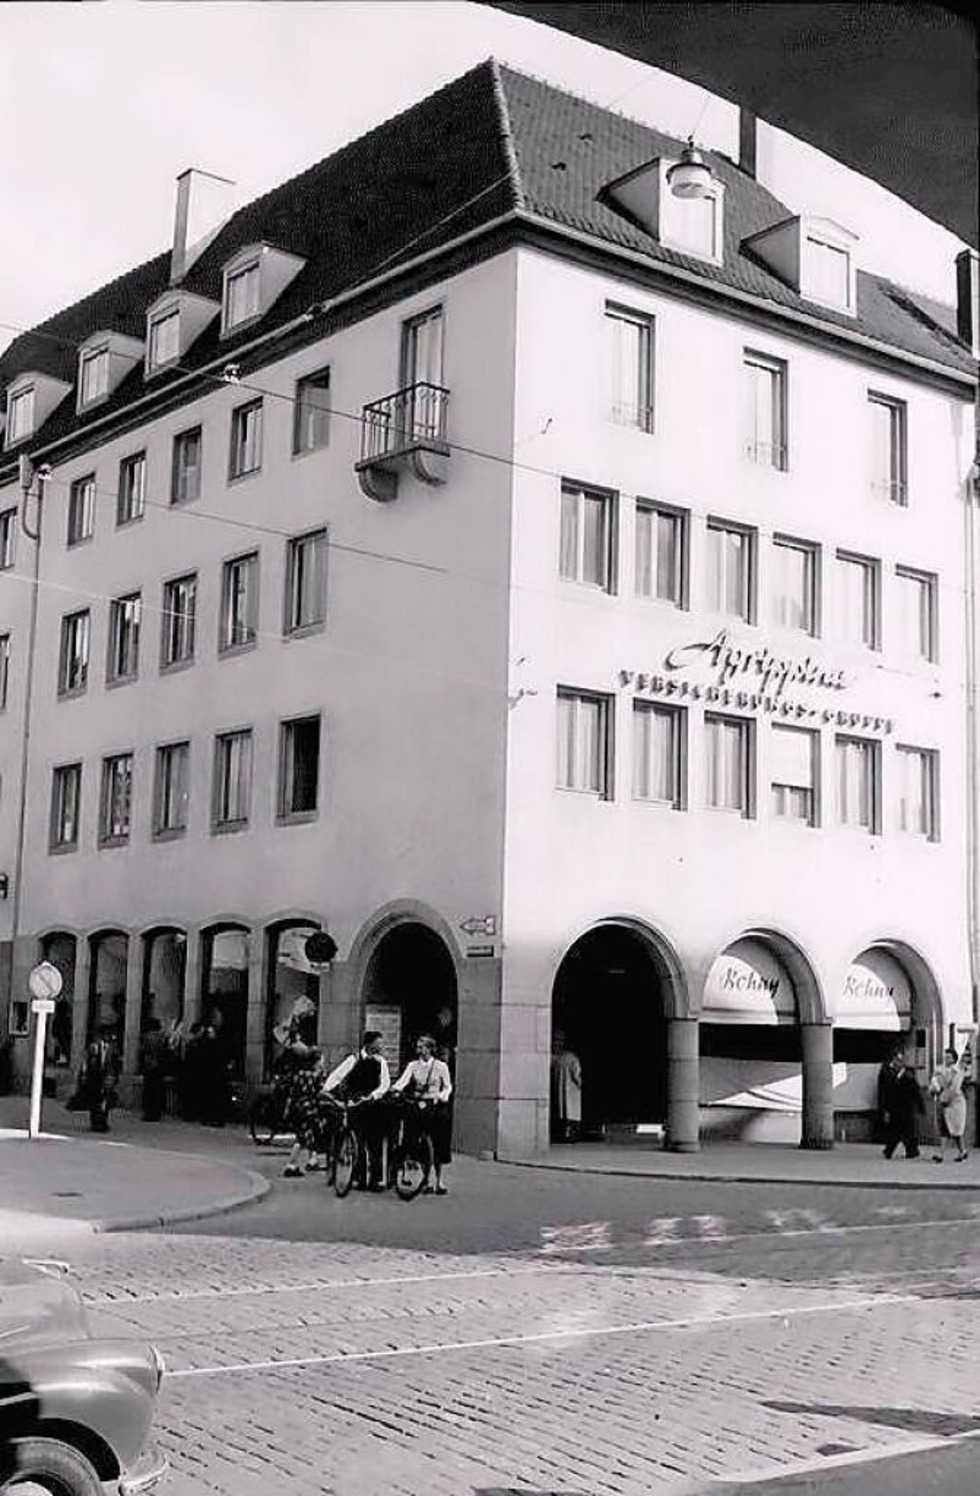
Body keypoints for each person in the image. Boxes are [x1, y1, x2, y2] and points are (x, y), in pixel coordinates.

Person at [321, 1031, 391, 1189]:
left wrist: (374, 1095)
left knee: (375, 1142)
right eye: (378, 1042)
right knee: (358, 1140)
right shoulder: (354, 1059)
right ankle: (359, 1177)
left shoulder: (381, 1062)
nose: (381, 1046)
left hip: (372, 1104)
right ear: (369, 1044)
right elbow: (338, 1075)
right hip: (355, 1102)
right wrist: (326, 1089)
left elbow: (385, 1083)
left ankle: (375, 1179)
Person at [391, 1034, 454, 1193]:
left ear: (430, 1049)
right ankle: (419, 1172)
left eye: (422, 1047)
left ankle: (439, 1180)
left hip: (435, 1103)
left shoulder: (441, 1066)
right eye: (418, 1047)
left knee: (439, 1138)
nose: (418, 1050)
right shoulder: (413, 1065)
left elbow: (447, 1086)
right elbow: (403, 1080)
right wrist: (395, 1089)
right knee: (411, 1135)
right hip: (419, 1102)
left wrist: (442, 1097)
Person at [278, 1014, 328, 1178]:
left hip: (297, 1107)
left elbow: (293, 1091)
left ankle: (313, 1160)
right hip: (309, 1108)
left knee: (309, 1134)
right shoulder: (315, 1076)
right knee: (302, 1138)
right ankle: (290, 1164)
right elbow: (320, 1091)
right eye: (321, 1060)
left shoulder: (300, 1074)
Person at [877, 1050, 923, 1159]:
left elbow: (915, 1089)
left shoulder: (907, 1073)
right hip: (894, 1105)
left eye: (900, 1060)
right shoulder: (887, 1071)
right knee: (898, 1129)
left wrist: (919, 1104)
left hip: (906, 1105)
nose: (899, 1062)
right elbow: (884, 1089)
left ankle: (909, 1150)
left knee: (904, 1130)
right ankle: (906, 1150)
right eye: (897, 1060)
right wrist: (884, 1107)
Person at [929, 1047, 969, 1162]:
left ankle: (944, 1154)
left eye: (949, 1057)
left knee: (953, 1128)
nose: (946, 1059)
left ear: (954, 1059)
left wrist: (944, 1098)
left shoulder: (957, 1072)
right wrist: (933, 1089)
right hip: (942, 1102)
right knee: (947, 1129)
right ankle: (960, 1152)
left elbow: (954, 1089)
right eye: (945, 1056)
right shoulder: (939, 1070)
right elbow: (934, 1083)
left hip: (955, 1103)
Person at [83, 1028, 119, 1133]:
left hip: (107, 1077)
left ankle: (102, 1121)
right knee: (95, 1101)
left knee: (105, 1101)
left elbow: (114, 1063)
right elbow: (88, 1062)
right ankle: (96, 1122)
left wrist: (114, 1076)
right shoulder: (94, 1047)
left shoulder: (111, 1048)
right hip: (95, 1078)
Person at [551, 1035, 583, 1143]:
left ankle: (563, 1135)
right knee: (572, 1114)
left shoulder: (558, 1059)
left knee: (563, 1113)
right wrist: (580, 1084)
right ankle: (571, 1136)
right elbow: (576, 1075)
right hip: (572, 1092)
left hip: (559, 1092)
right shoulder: (573, 1059)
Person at [139, 1017, 170, 1122]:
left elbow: (143, 1051)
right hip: (159, 1068)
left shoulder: (147, 1037)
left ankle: (149, 1113)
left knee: (149, 1091)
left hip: (149, 1067)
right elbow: (166, 1052)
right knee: (158, 1091)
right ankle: (157, 1113)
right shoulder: (162, 1038)